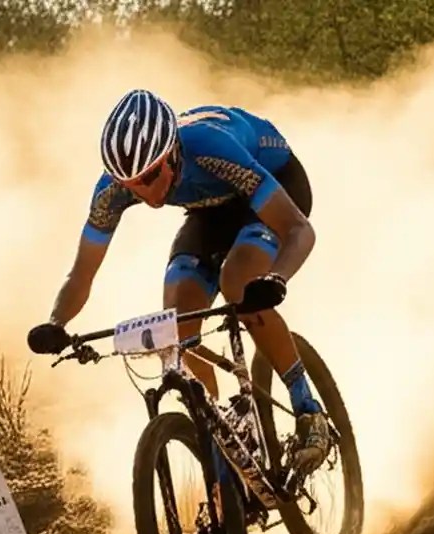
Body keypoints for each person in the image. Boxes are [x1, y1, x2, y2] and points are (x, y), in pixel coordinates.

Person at [26, 88, 331, 479]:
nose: (144, 191)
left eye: (151, 176)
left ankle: (309, 411)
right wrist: (57, 323)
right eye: (132, 185)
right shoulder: (113, 190)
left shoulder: (210, 149)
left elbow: (300, 231)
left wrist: (276, 279)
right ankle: (222, 431)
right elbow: (81, 274)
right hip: (208, 208)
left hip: (274, 182)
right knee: (177, 320)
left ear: (171, 153)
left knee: (238, 283)